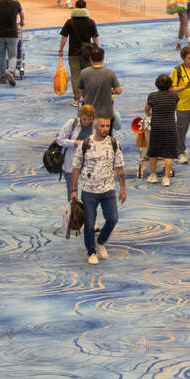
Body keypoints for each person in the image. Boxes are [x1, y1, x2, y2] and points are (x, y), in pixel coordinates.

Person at [68, 113, 126, 266]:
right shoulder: (85, 144)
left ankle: (101, 242)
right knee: (89, 223)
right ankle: (91, 251)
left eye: (108, 126)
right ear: (95, 126)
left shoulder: (114, 143)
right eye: (102, 126)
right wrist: (73, 189)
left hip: (108, 190)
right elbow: (76, 167)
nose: (105, 129)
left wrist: (123, 189)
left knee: (113, 219)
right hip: (89, 191)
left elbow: (119, 168)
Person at [144, 73, 181, 186]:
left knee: (153, 152)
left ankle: (153, 175)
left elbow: (146, 109)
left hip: (156, 126)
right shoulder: (175, 96)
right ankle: (166, 178)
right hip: (170, 126)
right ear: (170, 84)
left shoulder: (152, 96)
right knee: (168, 153)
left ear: (157, 84)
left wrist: (149, 113)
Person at [58, 0, 98, 103]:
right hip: (87, 54)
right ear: (85, 8)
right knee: (88, 76)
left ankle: (76, 98)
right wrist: (97, 51)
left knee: (75, 76)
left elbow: (64, 38)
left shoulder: (69, 22)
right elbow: (95, 38)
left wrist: (61, 49)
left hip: (73, 53)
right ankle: (87, 98)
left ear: (75, 7)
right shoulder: (90, 22)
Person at [75, 44, 121, 130]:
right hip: (106, 114)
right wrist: (112, 92)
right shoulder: (110, 73)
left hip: (89, 114)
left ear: (90, 58)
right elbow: (119, 91)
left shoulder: (84, 73)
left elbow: (80, 92)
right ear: (103, 58)